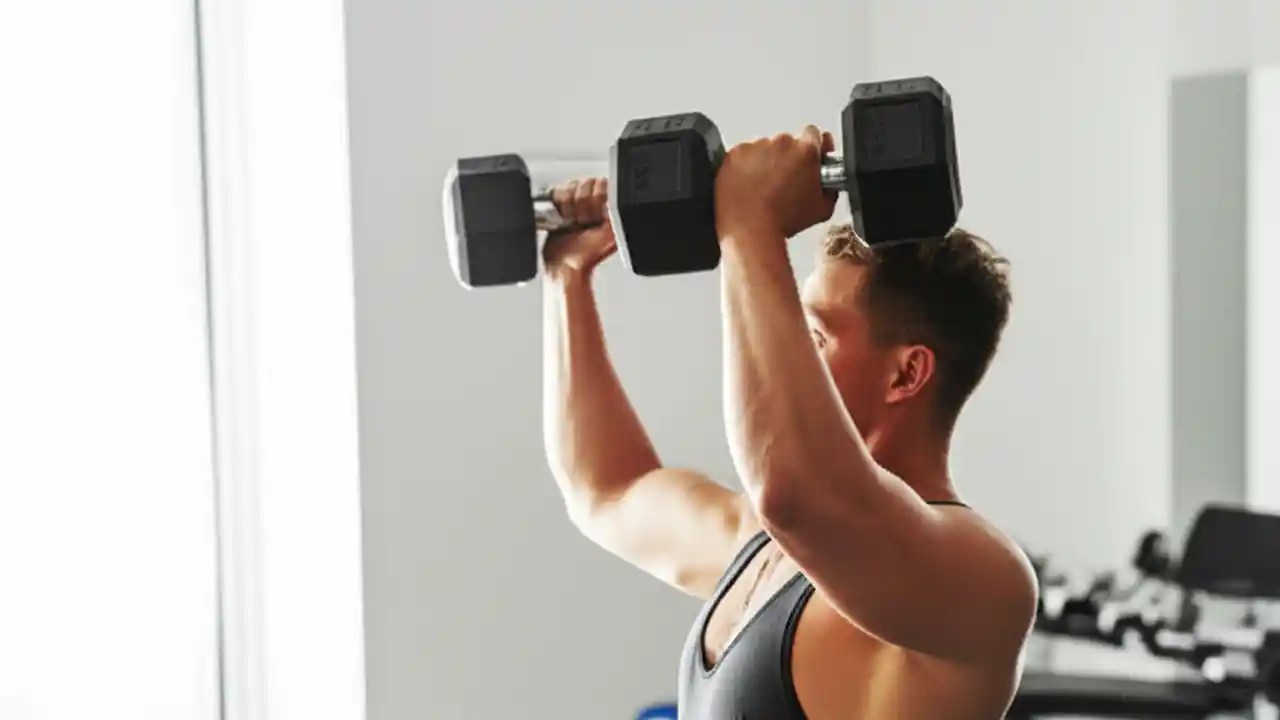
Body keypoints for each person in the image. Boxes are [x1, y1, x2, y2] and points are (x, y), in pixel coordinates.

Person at [541, 125, 1037, 719]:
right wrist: (567, 279)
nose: (786, 349)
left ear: (906, 375)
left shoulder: (982, 581)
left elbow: (795, 492)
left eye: (814, 336)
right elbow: (606, 489)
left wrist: (749, 228)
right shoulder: (762, 548)